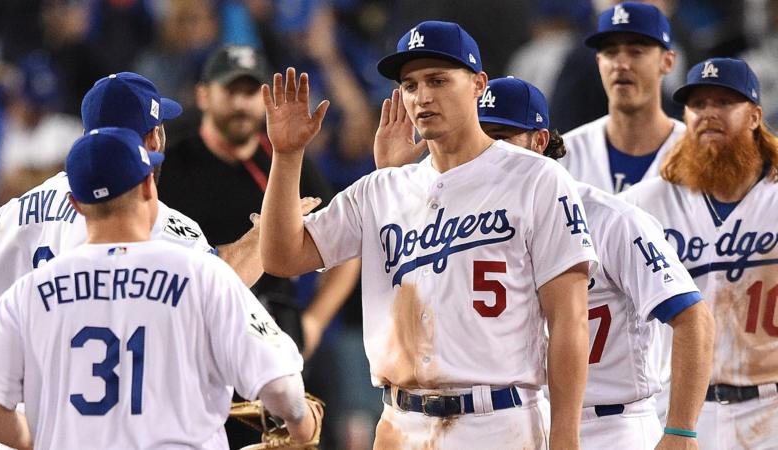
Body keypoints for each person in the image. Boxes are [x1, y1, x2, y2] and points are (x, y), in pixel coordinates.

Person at [259, 20, 599, 449]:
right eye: (410, 85)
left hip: (497, 422)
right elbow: (282, 257)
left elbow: (569, 319)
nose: (422, 96)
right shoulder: (382, 188)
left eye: (438, 80)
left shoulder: (535, 177)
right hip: (399, 423)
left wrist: (566, 437)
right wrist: (288, 155)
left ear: (478, 85)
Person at [377, 76, 715, 449]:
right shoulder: (467, 229)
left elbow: (694, 319)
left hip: (610, 426)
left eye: (500, 138)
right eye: (478, 136)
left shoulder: (611, 219)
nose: (485, 151)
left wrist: (681, 430)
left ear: (539, 141)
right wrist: (393, 190)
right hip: (519, 422)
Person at [0, 127, 320, 449]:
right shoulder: (204, 274)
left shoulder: (27, 293)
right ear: (147, 187)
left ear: (76, 204)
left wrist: (41, 438)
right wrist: (303, 425)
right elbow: (282, 388)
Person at [0, 71, 267, 323]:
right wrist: (266, 231)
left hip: (18, 366)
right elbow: (221, 282)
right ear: (154, 138)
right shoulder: (139, 217)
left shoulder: (15, 211)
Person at [158, 45, 360, 358]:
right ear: (203, 96)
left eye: (251, 92)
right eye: (230, 91)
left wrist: (314, 323)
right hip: (191, 326)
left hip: (269, 331)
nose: (240, 103)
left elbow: (346, 244)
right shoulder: (169, 163)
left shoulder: (286, 163)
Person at [621, 57, 778, 450]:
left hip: (771, 407)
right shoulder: (644, 204)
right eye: (698, 104)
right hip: (677, 411)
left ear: (755, 116)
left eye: (724, 102)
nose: (708, 113)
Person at [561, 2, 684, 194]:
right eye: (610, 52)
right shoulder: (565, 155)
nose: (621, 64)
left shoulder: (698, 153)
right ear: (598, 62)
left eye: (636, 52)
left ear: (667, 62)